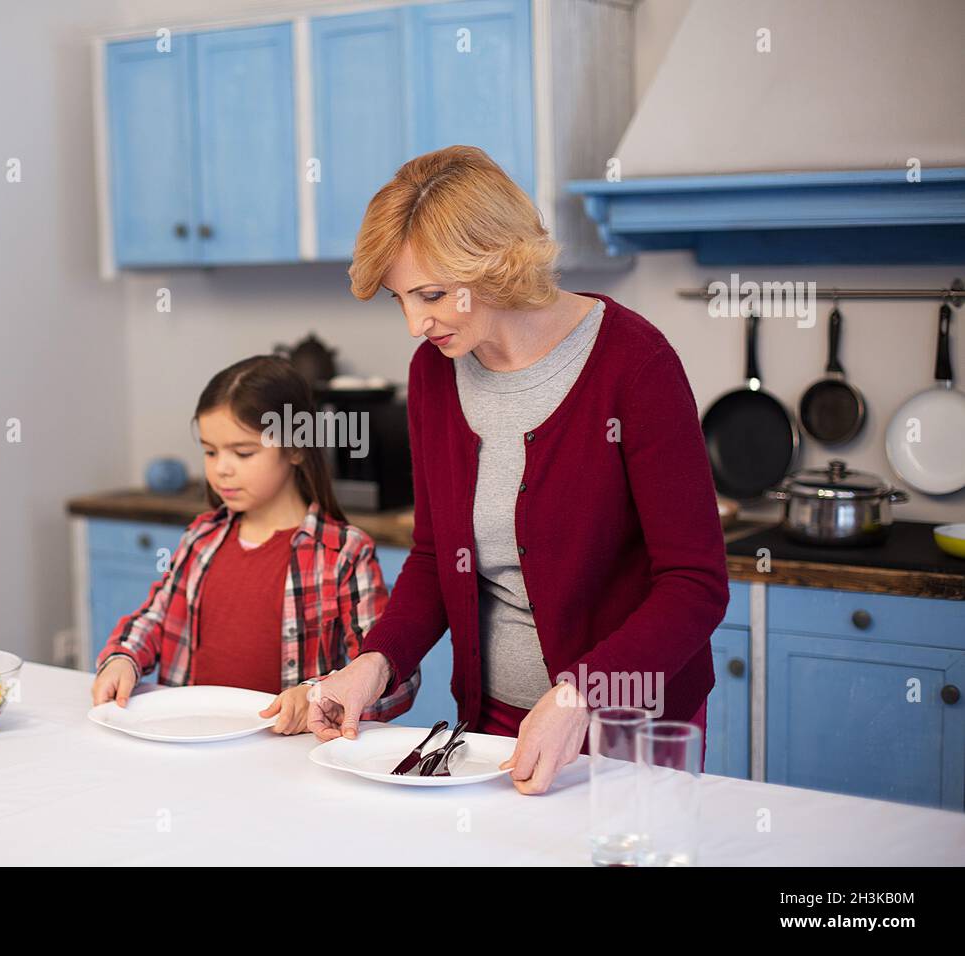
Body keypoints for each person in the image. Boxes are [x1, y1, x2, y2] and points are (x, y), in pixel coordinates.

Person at [306, 146, 729, 790]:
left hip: (628, 725)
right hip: (491, 725)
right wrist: (377, 662)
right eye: (400, 299)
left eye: (432, 295)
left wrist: (580, 695)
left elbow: (694, 583)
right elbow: (433, 556)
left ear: (497, 263)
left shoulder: (634, 364)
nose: (416, 323)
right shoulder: (434, 374)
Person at [91, 355, 420, 732]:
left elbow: (396, 679)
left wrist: (318, 695)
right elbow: (154, 618)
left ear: (296, 448)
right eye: (210, 451)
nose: (221, 469)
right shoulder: (202, 537)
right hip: (193, 739)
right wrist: (122, 658)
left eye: (243, 452)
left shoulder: (343, 552)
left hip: (284, 756)